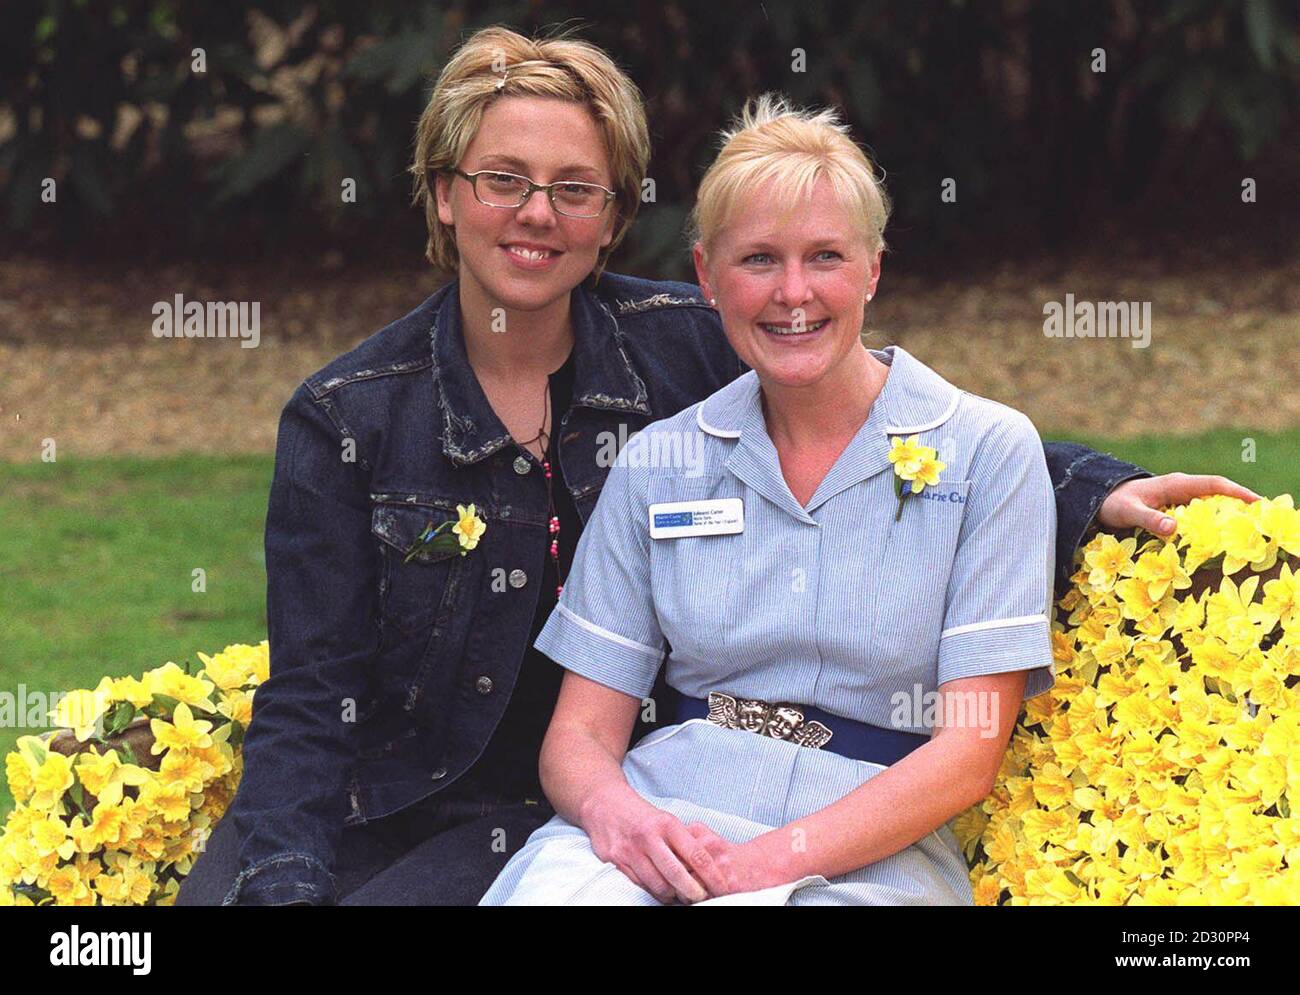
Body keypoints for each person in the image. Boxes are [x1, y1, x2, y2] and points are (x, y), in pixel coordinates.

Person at [177, 27, 1257, 906]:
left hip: (611, 797)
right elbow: (312, 694)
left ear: (611, 218)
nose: (538, 213)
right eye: (503, 179)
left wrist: (1080, 485)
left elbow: (878, 400)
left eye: (576, 188)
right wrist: (282, 876)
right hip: (430, 791)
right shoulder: (351, 418)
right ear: (444, 193)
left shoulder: (681, 340)